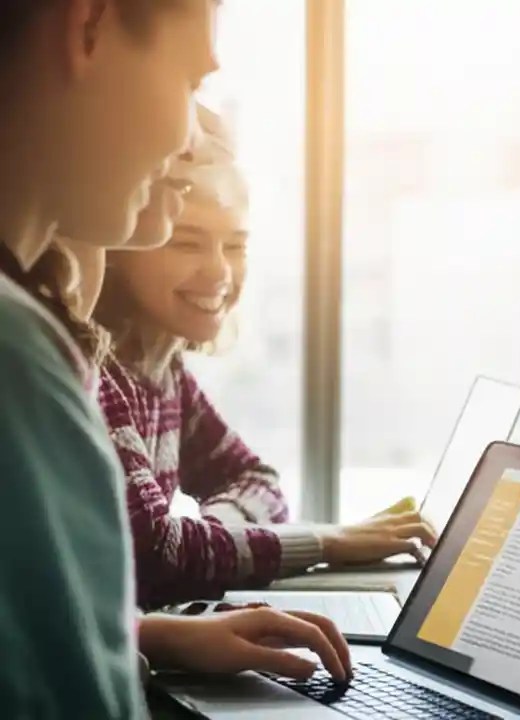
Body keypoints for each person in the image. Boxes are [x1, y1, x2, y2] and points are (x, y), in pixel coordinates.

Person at [0, 2, 348, 716]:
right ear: (88, 26)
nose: (193, 138)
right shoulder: (19, 364)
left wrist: (153, 637)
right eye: (191, 83)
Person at [93, 104, 436, 609]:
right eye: (188, 243)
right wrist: (326, 541)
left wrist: (211, 539)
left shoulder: (167, 375)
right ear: (124, 246)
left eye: (235, 246)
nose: (219, 273)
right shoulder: (99, 374)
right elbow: (155, 556)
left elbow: (260, 485)